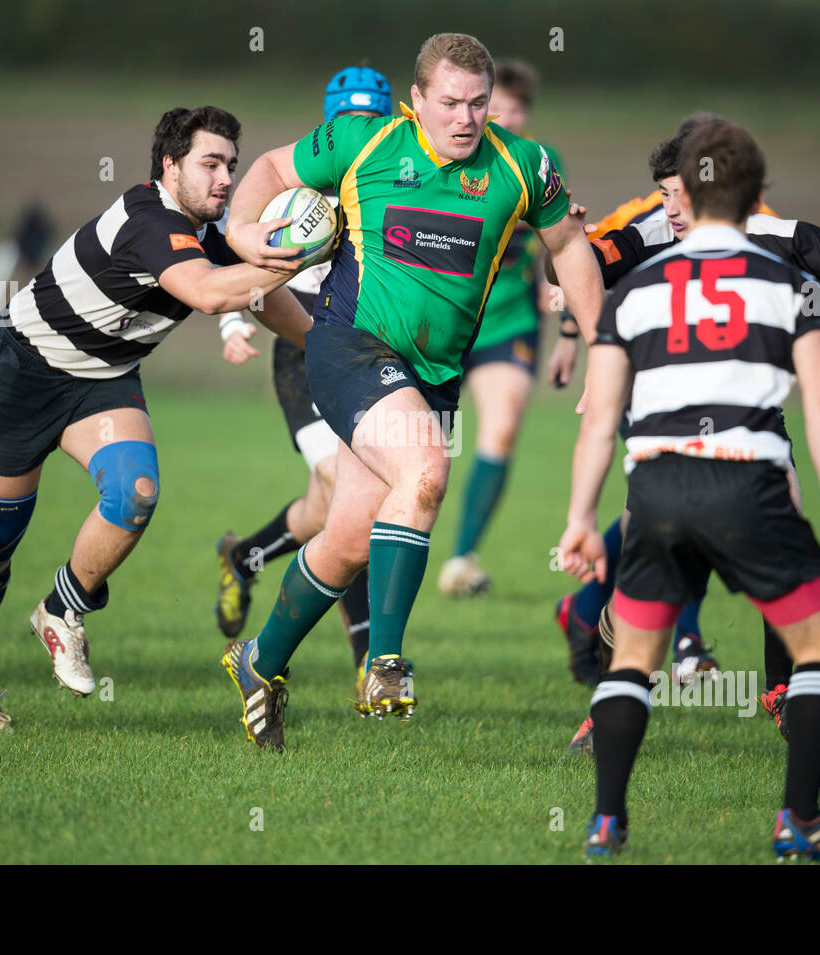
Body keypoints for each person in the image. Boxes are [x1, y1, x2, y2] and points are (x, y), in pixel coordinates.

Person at [220, 32, 602, 750]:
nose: (466, 118)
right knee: (425, 471)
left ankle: (258, 660)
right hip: (345, 346)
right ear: (416, 99)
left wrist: (601, 344)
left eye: (479, 103)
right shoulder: (363, 142)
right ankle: (384, 664)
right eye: (450, 102)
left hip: (434, 375)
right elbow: (272, 165)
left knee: (350, 536)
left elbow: (570, 249)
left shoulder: (525, 165)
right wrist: (242, 231)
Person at [559, 119, 820, 862]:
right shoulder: (786, 284)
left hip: (657, 487)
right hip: (750, 483)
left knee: (633, 657)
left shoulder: (632, 290)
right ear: (755, 197)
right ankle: (799, 816)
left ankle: (607, 821)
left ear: (684, 198)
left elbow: (600, 417)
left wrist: (578, 517)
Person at [0, 106, 312, 729]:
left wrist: (326, 344)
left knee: (136, 493)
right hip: (22, 371)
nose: (226, 178)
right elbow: (207, 291)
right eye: (210, 163)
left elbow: (261, 297)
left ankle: (62, 610)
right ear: (170, 166)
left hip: (104, 379)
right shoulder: (150, 219)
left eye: (231, 165)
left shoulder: (211, 224)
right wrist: (302, 252)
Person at [215, 65, 392, 673]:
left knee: (330, 508)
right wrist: (231, 321)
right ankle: (370, 655)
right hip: (302, 347)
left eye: (373, 117)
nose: (360, 127)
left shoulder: (393, 178)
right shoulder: (299, 184)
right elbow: (236, 254)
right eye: (350, 118)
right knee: (353, 494)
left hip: (369, 350)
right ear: (329, 120)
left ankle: (245, 558)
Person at [436, 59, 566, 596]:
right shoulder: (449, 156)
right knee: (422, 447)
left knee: (503, 426)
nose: (506, 119)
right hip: (440, 324)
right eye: (497, 109)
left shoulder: (534, 164)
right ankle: (373, 541)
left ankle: (461, 558)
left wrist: (550, 279)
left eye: (517, 111)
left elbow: (559, 235)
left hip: (508, 320)